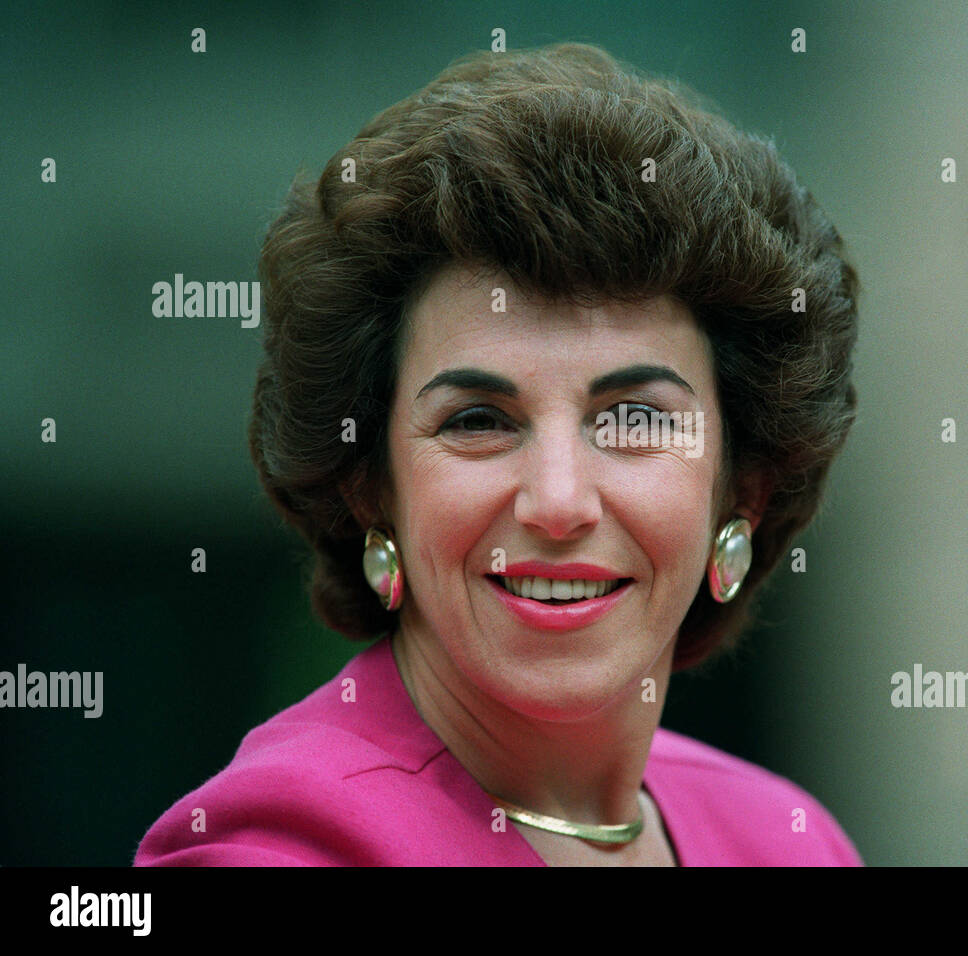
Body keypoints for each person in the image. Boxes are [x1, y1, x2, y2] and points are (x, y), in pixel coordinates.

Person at [135, 41, 861, 866]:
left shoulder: (784, 840)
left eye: (634, 420)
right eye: (479, 420)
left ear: (747, 490)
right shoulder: (282, 847)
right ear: (373, 488)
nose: (557, 502)